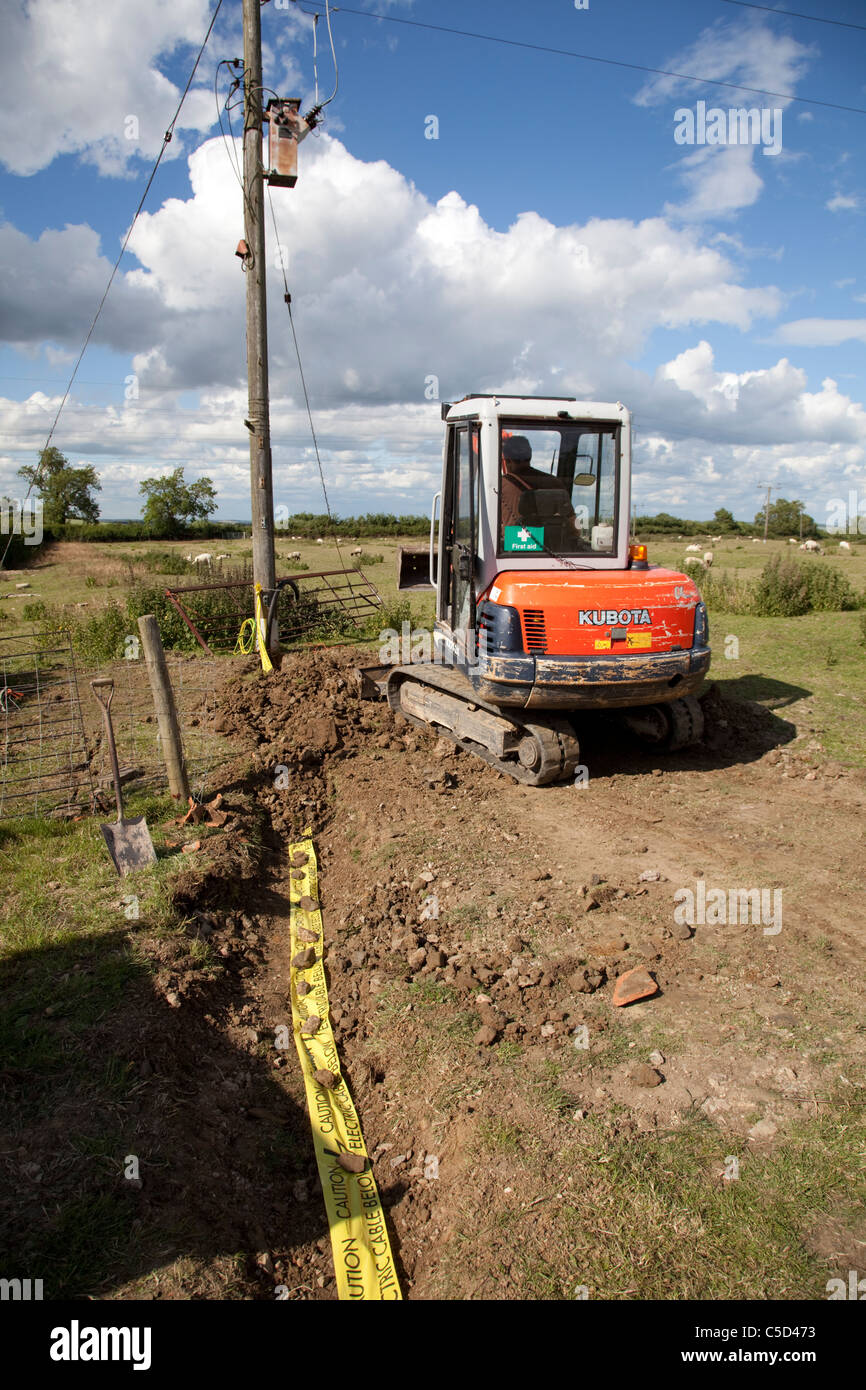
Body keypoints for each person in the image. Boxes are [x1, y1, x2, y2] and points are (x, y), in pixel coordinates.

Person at [499, 435, 578, 547]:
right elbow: (573, 527)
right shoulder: (554, 482)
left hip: (514, 548)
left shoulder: (499, 485)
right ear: (530, 455)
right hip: (552, 549)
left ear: (507, 460)